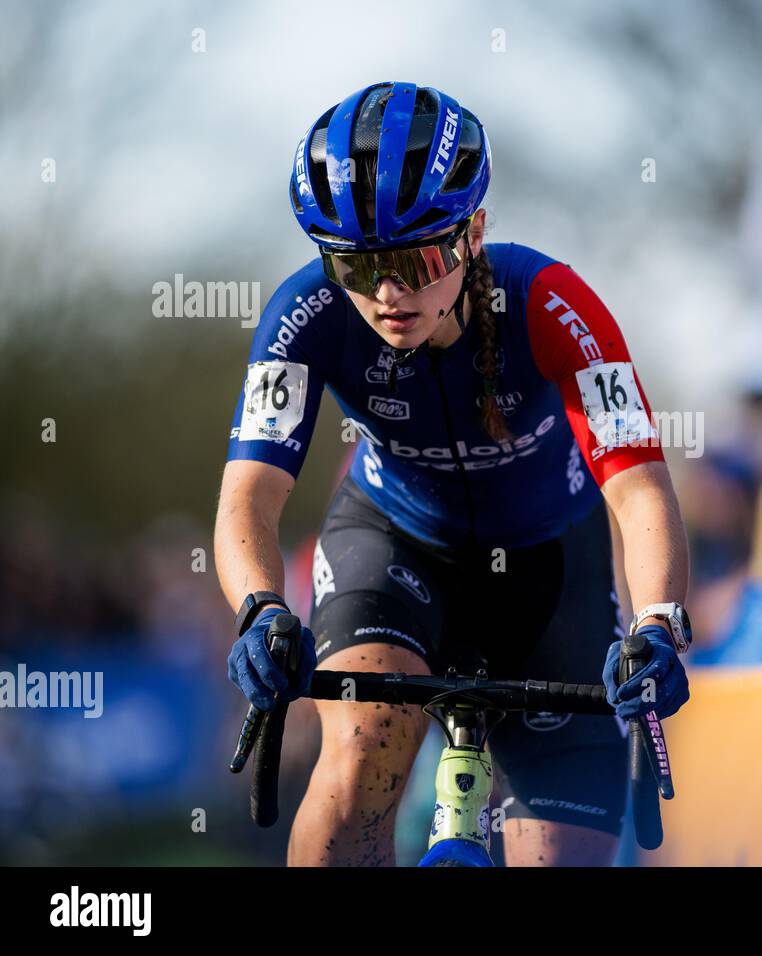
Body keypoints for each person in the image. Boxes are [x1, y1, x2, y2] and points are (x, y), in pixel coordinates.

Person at [214, 83, 692, 866]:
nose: (389, 294)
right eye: (358, 265)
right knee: (359, 760)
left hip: (549, 568)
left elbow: (638, 485)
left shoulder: (554, 302)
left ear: (473, 231)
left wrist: (658, 623)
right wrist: (261, 607)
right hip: (395, 546)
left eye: (415, 260)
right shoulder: (302, 315)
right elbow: (250, 496)